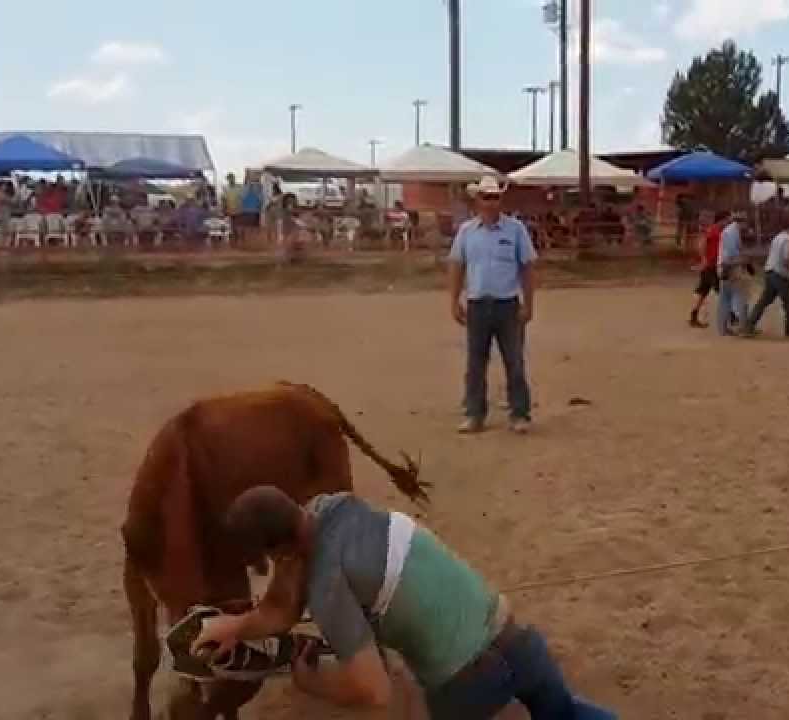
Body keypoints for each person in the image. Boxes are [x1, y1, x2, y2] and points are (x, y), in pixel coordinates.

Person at [191, 486, 616, 720]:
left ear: (281, 555)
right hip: (518, 639)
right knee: (566, 717)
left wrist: (311, 683)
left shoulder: (328, 589)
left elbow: (373, 691)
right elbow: (282, 607)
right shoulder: (335, 505)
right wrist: (237, 627)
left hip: (466, 686)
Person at [448, 175, 537, 435]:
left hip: (507, 305)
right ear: (478, 200)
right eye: (486, 197)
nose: (491, 202)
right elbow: (456, 265)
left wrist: (528, 304)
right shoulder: (466, 232)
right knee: (475, 363)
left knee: (515, 361)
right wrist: (454, 301)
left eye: (495, 197)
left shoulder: (516, 230)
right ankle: (474, 414)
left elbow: (527, 268)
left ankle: (519, 414)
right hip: (477, 304)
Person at [742, 222, 789, 338]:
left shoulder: (777, 237)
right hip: (779, 273)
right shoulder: (788, 238)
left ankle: (749, 326)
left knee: (763, 301)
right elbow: (786, 258)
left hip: (769, 271)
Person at [688, 210, 727, 328]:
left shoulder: (716, 230)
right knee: (723, 291)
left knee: (702, 292)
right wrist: (704, 259)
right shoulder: (714, 230)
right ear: (722, 220)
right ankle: (732, 316)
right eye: (727, 220)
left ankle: (693, 316)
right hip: (711, 266)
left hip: (710, 265)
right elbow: (702, 244)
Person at [714, 211, 750, 336]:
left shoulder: (731, 231)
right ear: (741, 222)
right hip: (730, 268)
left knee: (725, 298)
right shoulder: (732, 232)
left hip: (725, 267)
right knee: (740, 297)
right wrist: (744, 261)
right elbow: (731, 255)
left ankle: (723, 328)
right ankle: (743, 327)